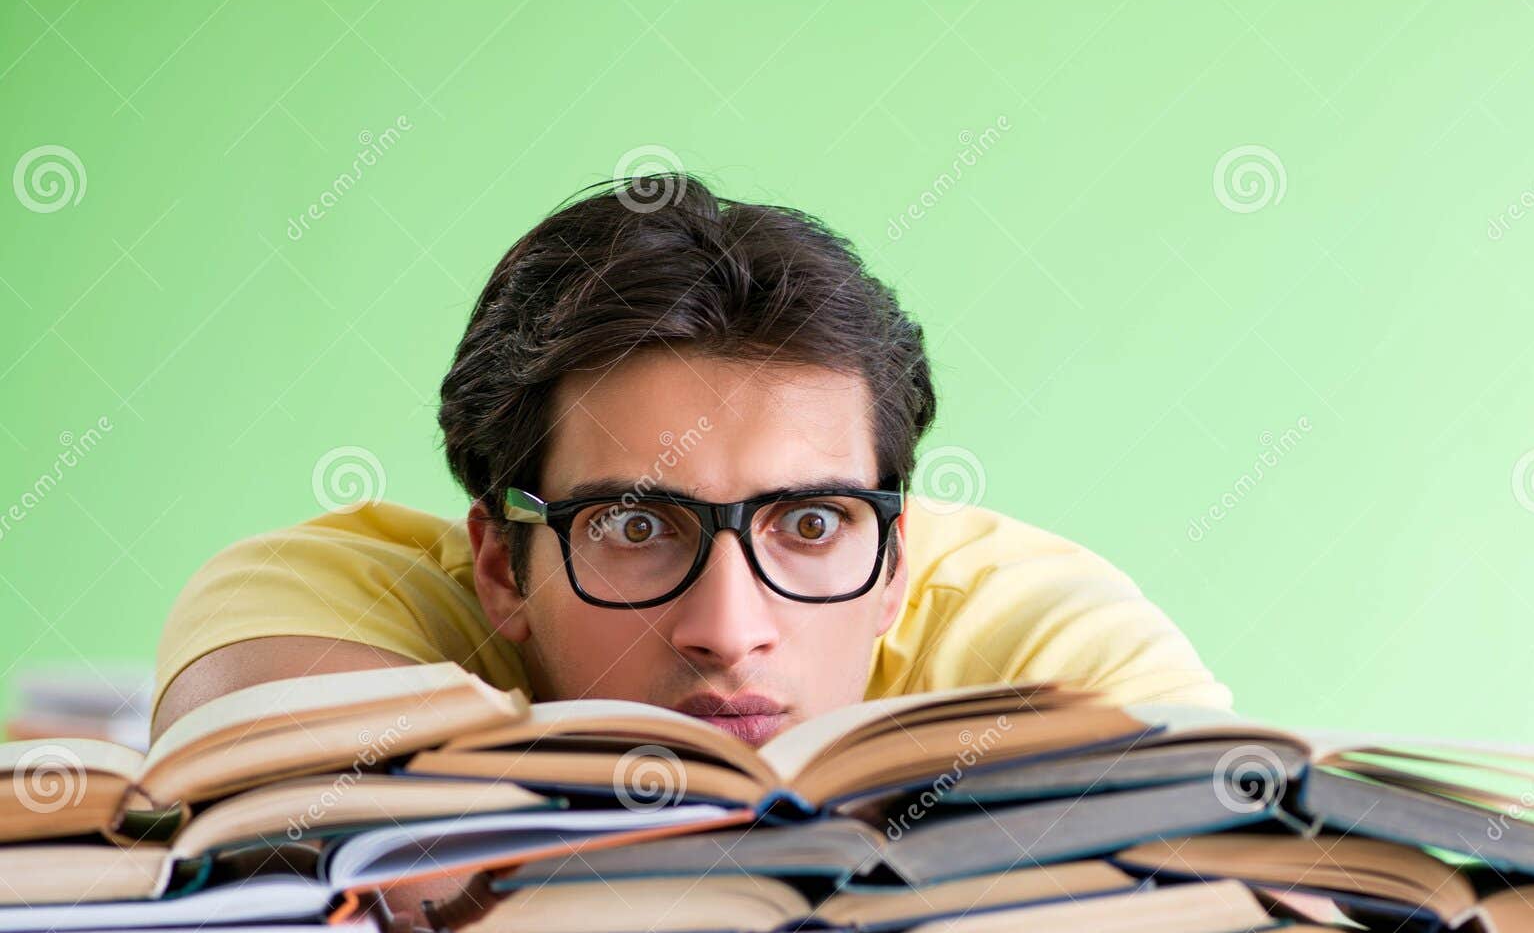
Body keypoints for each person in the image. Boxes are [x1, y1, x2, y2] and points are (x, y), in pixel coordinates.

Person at [153, 174, 1229, 746]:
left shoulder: (1034, 623)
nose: (726, 633)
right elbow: (284, 801)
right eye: (632, 526)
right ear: (498, 568)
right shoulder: (349, 592)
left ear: (895, 564)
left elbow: (1269, 919)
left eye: (810, 525)